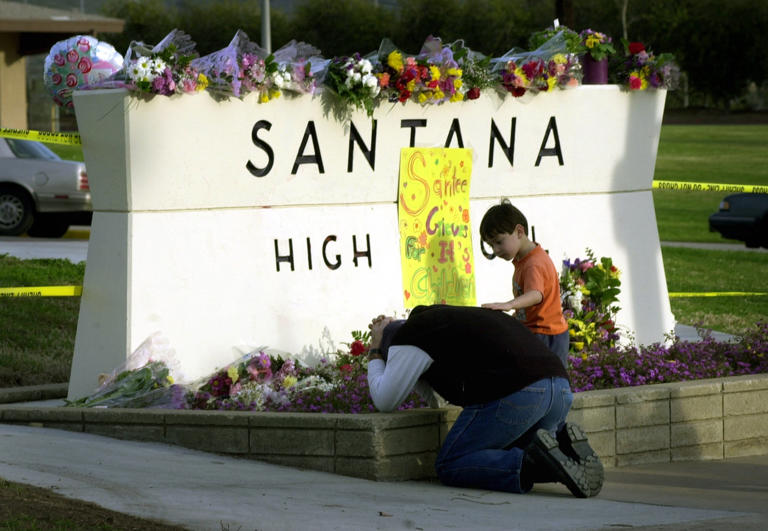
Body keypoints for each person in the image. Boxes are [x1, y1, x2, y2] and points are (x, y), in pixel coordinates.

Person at [366, 304, 603, 497]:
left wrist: (375, 350)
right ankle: (563, 451)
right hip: (560, 390)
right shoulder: (451, 323)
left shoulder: (410, 335)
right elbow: (438, 400)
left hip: (522, 392)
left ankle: (537, 464)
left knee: (451, 463)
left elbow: (385, 400)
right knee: (516, 449)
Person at [479, 200, 570, 368]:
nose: (496, 250)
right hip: (535, 330)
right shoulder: (524, 259)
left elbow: (535, 294)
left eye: (498, 242)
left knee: (549, 381)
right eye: (491, 245)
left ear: (519, 231)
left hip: (547, 334)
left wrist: (509, 304)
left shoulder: (533, 263)